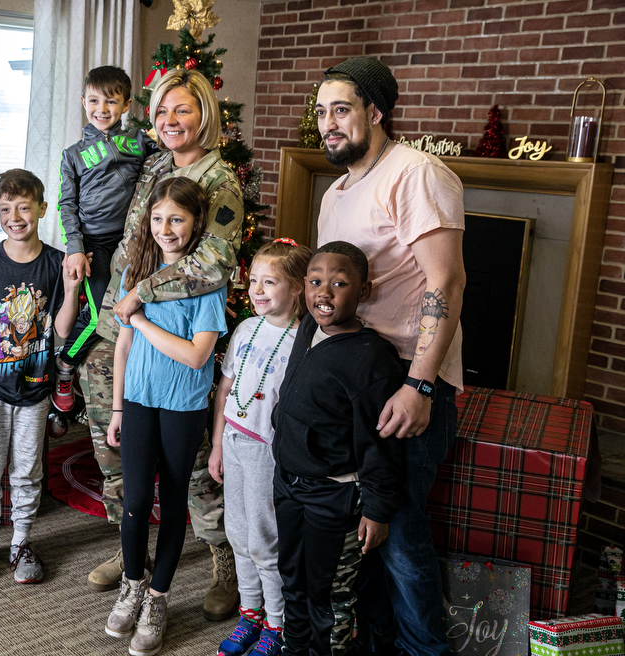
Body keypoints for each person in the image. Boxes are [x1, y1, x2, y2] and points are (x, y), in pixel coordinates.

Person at [80, 67, 246, 622]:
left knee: (191, 461)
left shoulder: (220, 181)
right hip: (123, 319)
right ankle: (132, 549)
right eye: (163, 112)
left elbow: (212, 263)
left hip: (175, 327)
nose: (171, 121)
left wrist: (141, 297)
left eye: (184, 110)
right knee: (117, 439)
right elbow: (132, 243)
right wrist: (113, 316)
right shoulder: (153, 165)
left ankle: (221, 554)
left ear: (205, 115)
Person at [313, 56, 466, 656]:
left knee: (399, 531)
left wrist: (421, 386)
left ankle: (427, 650)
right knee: (366, 529)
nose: (329, 123)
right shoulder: (337, 192)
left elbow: (445, 282)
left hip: (407, 380)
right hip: (357, 377)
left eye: (342, 109)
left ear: (376, 113)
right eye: (321, 112)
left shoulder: (417, 174)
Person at [104, 176, 228, 656]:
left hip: (183, 406)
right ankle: (132, 584)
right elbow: (123, 347)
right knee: (134, 500)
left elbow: (196, 356)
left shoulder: (206, 284)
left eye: (177, 219)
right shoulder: (138, 273)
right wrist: (116, 406)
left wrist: (136, 317)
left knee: (174, 502)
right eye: (157, 219)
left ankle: (157, 598)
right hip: (136, 400)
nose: (166, 228)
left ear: (196, 223)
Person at [272, 242, 405, 656]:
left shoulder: (372, 358)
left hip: (335, 494)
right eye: (315, 282)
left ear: (363, 291)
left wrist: (377, 509)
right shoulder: (309, 327)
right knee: (291, 578)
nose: (323, 293)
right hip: (290, 482)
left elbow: (379, 441)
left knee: (327, 595)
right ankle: (293, 649)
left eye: (339, 283)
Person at [0, 169, 80, 584]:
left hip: (34, 390)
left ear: (42, 209)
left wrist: (72, 285)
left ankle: (23, 541)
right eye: (6, 209)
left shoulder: (55, 263)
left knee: (27, 470)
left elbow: (63, 330)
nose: (15, 216)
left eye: (24, 207)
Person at [208, 238, 313, 656]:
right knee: (236, 533)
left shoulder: (303, 338)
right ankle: (250, 613)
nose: (257, 290)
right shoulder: (245, 329)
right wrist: (216, 443)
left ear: (298, 289)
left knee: (263, 539)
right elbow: (226, 388)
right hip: (232, 440)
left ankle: (277, 624)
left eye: (270, 282)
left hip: (266, 451)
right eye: (254, 280)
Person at [53, 65, 158, 412]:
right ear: (83, 102)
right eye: (94, 100)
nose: (102, 109)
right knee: (100, 315)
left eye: (111, 101)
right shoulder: (72, 155)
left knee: (130, 308)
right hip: (94, 246)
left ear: (126, 104)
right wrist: (76, 250)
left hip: (132, 242)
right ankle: (65, 365)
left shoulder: (139, 141)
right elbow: (66, 205)